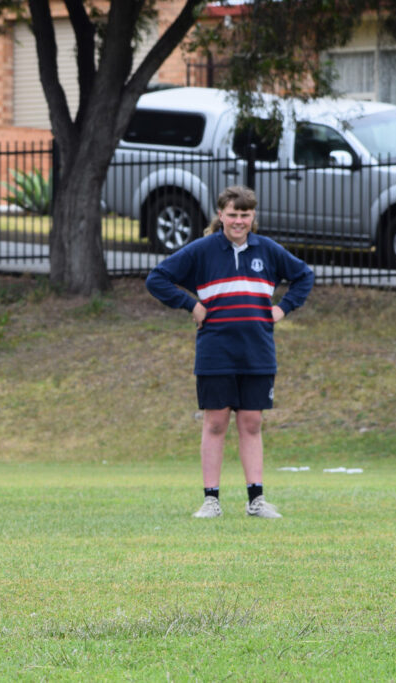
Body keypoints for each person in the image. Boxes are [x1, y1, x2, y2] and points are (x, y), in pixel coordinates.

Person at [145, 185, 313, 520]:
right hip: (215, 351)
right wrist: (191, 305)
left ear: (254, 217)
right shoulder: (203, 250)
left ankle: (256, 500)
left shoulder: (267, 250)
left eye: (245, 215)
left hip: (257, 352)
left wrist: (282, 309)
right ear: (220, 214)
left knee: (251, 423)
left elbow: (304, 276)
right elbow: (157, 279)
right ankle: (211, 499)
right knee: (216, 422)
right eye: (232, 214)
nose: (239, 221)